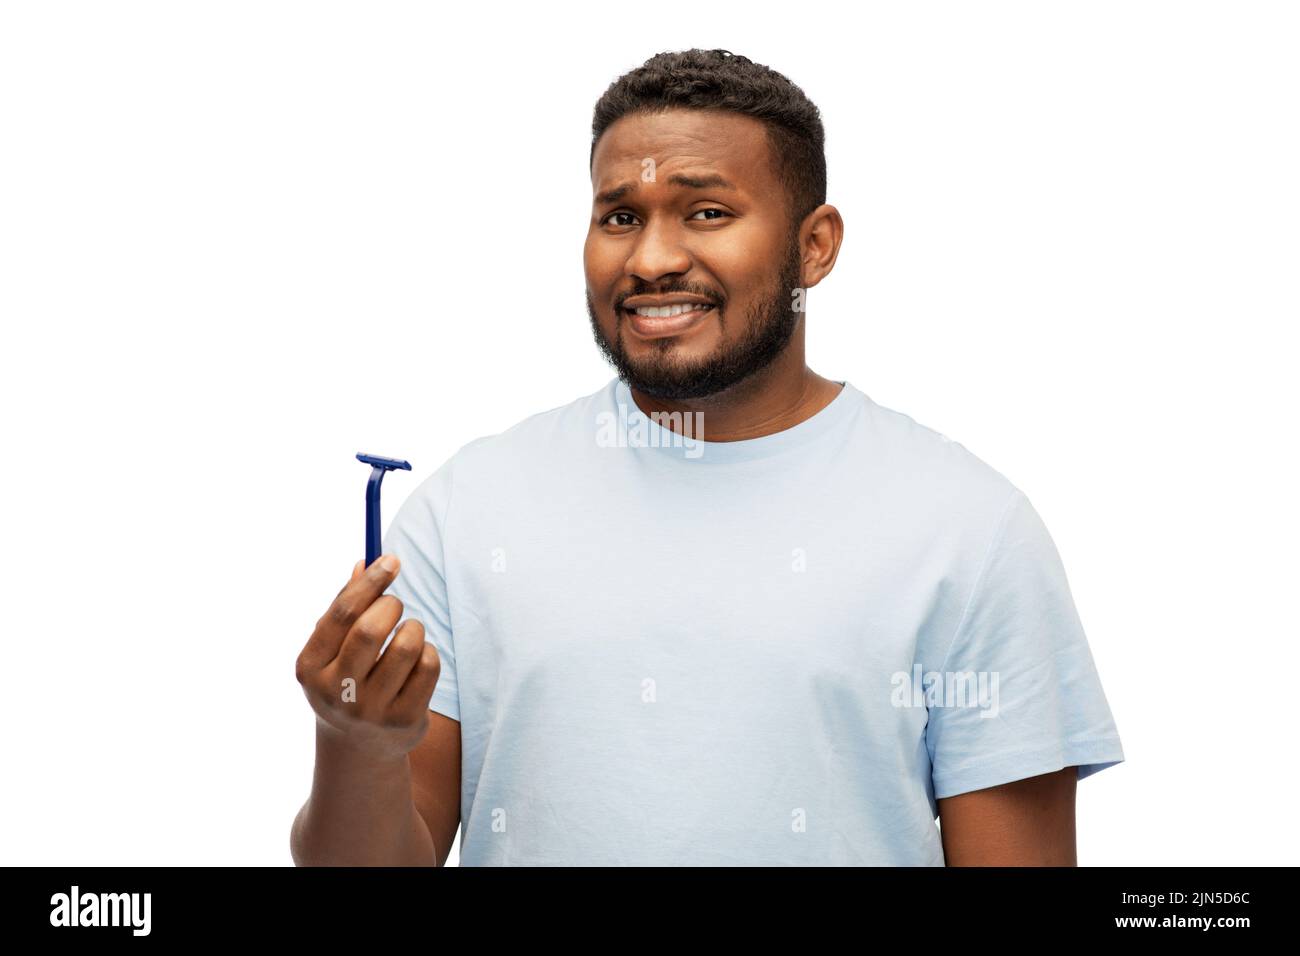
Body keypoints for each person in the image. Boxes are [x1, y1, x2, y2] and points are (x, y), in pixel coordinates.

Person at [290, 49, 1124, 867]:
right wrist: (353, 744)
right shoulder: (465, 512)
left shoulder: (968, 529)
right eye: (620, 217)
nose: (652, 260)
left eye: (706, 213)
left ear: (816, 247)